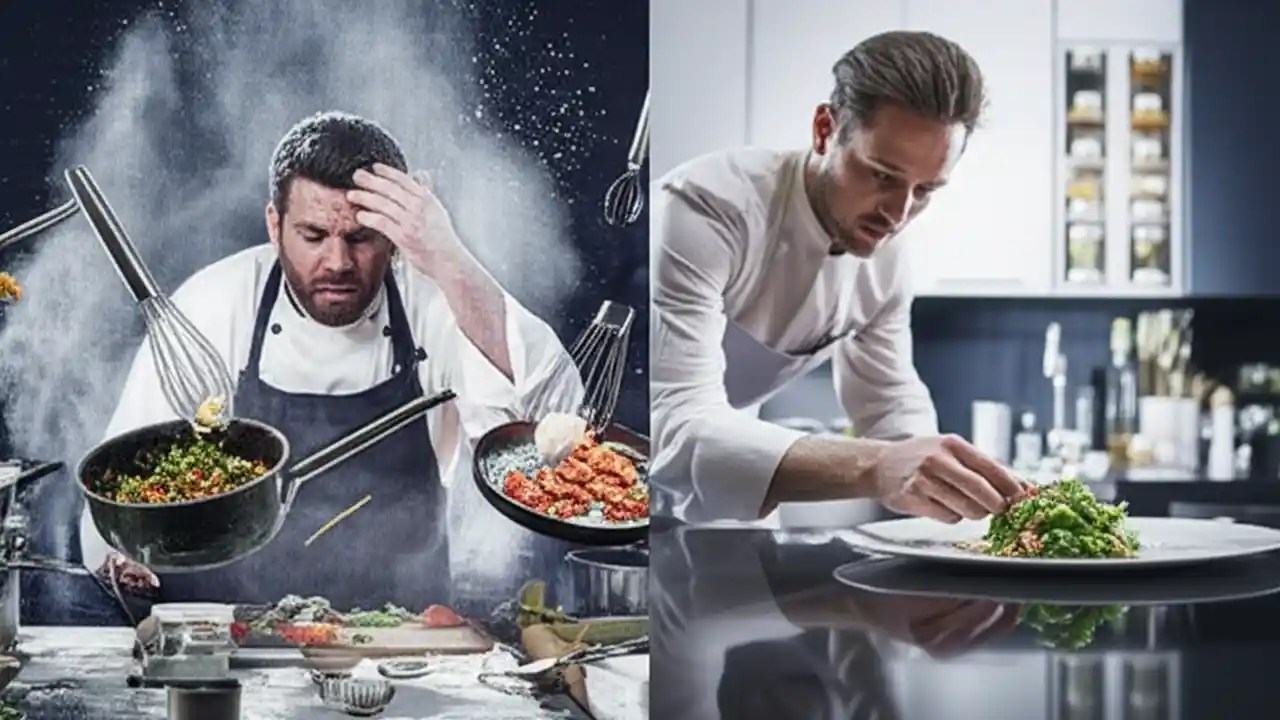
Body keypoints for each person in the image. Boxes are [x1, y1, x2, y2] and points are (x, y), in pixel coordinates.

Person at [80, 111, 581, 610]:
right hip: (228, 645)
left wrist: (449, 257)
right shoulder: (215, 302)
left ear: (395, 237)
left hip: (401, 650)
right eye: (314, 236)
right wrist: (121, 558)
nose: (338, 262)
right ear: (275, 227)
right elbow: (122, 488)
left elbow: (555, 426)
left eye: (361, 238)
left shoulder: (440, 302)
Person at [650, 31, 1023, 525]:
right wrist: (877, 466)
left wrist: (958, 495)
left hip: (730, 506)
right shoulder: (706, 209)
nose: (898, 213)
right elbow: (674, 421)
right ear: (825, 130)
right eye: (882, 175)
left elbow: (890, 405)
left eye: (926, 190)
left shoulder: (887, 260)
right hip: (626, 473)